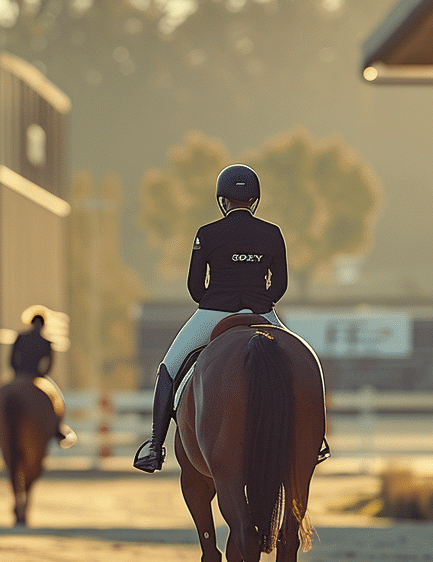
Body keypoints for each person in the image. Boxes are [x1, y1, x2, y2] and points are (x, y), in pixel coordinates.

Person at [133, 164, 329, 472]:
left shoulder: (207, 234)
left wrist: (215, 298)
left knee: (168, 368)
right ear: (254, 200)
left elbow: (195, 287)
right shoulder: (272, 233)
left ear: (222, 200)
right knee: (305, 362)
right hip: (261, 313)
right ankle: (316, 442)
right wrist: (260, 300)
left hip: (213, 313)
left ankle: (155, 446)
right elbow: (279, 286)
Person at [10, 312, 77, 449]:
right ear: (44, 325)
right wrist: (41, 375)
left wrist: (18, 373)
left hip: (20, 376)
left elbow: (11, 360)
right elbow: (49, 365)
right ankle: (57, 429)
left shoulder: (20, 338)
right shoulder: (46, 342)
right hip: (37, 376)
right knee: (57, 400)